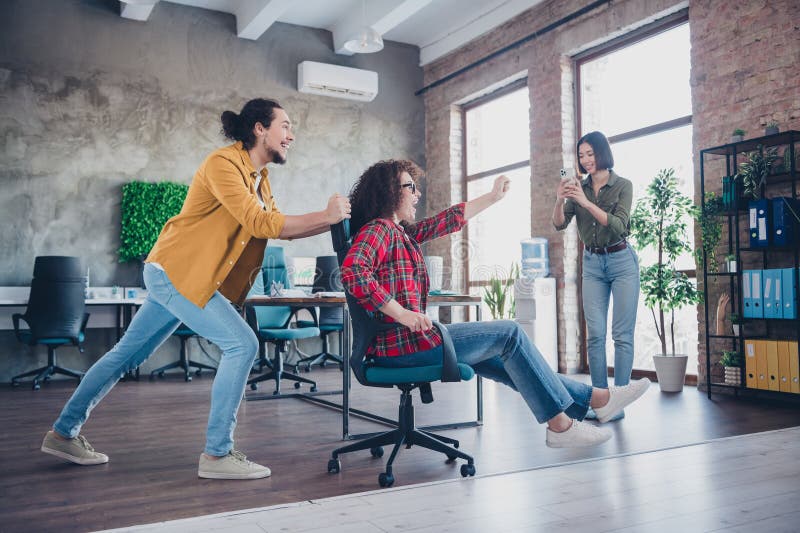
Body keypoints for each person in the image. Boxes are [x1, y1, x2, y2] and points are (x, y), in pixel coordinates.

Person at [40, 98, 351, 480]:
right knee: (244, 344)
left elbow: (276, 227)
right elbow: (260, 223)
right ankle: (217, 456)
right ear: (259, 128)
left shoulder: (261, 180)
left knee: (125, 356)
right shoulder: (223, 164)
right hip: (176, 271)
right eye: (285, 126)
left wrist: (332, 219)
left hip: (183, 276)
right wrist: (326, 215)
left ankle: (62, 432)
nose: (291, 135)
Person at [341, 159, 650, 448]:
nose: (417, 193)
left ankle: (589, 404)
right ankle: (571, 418)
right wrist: (403, 313)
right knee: (510, 333)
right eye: (410, 187)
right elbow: (353, 270)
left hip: (408, 345)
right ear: (390, 192)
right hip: (404, 347)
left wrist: (492, 197)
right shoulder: (379, 229)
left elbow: (446, 221)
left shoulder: (400, 233)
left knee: (505, 359)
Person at [552, 131, 639, 421]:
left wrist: (586, 203)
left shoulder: (623, 185)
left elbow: (619, 226)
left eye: (590, 154)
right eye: (581, 156)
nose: (585, 160)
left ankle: (620, 402)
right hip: (592, 264)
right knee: (596, 335)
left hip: (622, 261)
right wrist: (559, 199)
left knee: (622, 335)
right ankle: (602, 402)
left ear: (602, 153)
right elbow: (560, 224)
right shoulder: (578, 187)